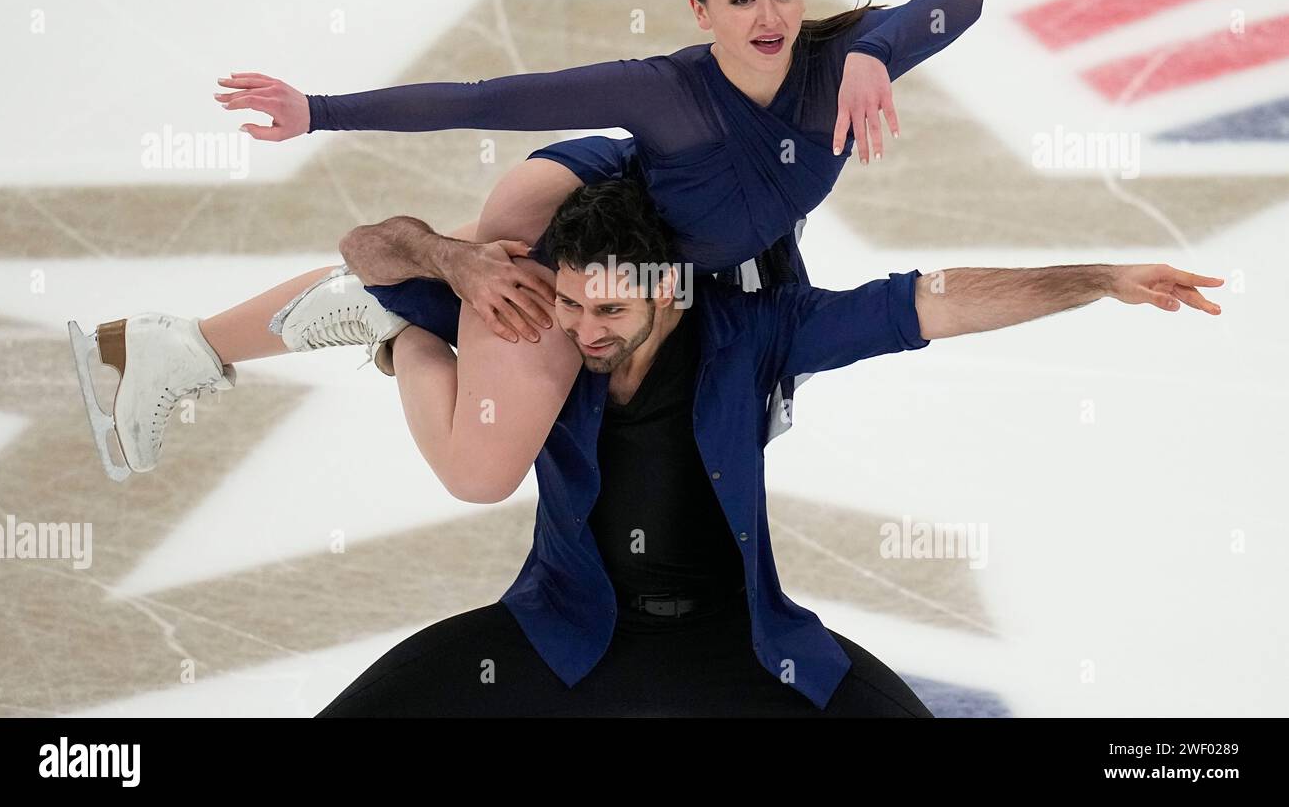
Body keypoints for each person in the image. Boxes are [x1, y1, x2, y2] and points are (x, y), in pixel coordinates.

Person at [68, 0, 984, 483]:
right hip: (581, 223)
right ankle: (412, 330)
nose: (770, 16)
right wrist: (317, 110)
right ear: (701, 13)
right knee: (480, 469)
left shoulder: (834, 69)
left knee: (406, 276)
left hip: (665, 258)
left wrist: (873, 49)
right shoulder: (664, 90)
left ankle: (165, 346)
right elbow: (484, 102)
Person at [315, 177, 1223, 716]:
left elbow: (931, 301)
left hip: (740, 643)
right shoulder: (537, 324)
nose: (584, 332)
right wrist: (449, 258)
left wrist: (1099, 277)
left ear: (669, 291)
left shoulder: (755, 333)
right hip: (562, 629)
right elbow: (366, 248)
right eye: (573, 303)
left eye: (611, 311)